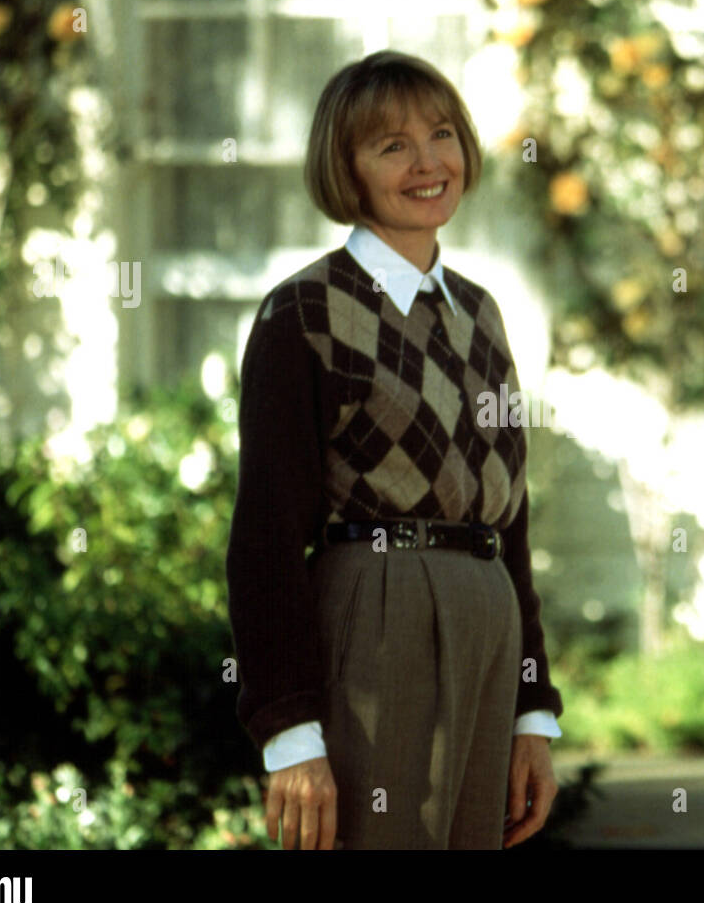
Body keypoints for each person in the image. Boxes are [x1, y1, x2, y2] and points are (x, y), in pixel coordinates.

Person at [225, 50, 564, 850]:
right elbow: (266, 535)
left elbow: (509, 527)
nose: (428, 162)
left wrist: (532, 710)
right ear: (347, 167)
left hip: (489, 623)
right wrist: (291, 732)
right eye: (392, 146)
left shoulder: (481, 316)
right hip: (377, 620)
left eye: (441, 134)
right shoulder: (302, 312)